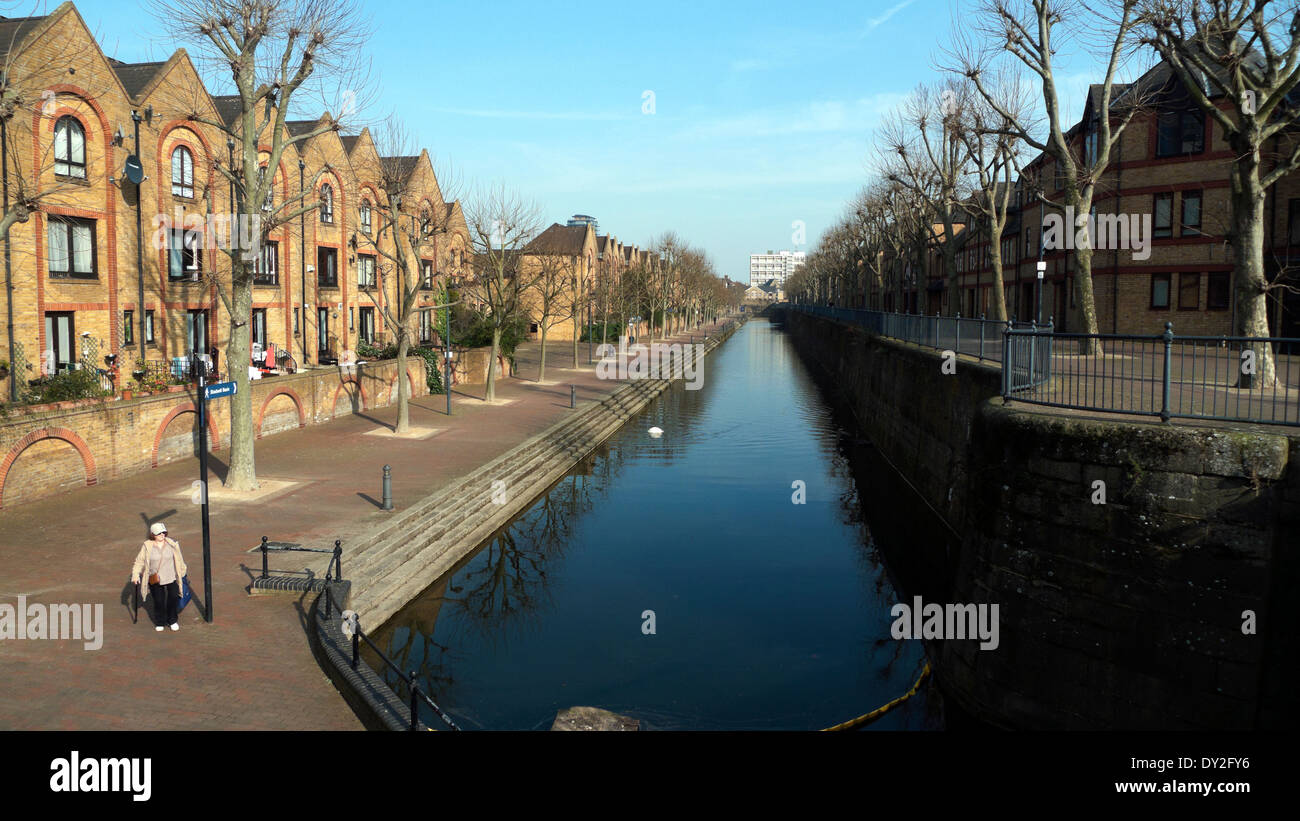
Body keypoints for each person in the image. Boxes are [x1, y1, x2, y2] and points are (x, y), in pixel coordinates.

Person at [131, 522, 188, 632]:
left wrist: (183, 572)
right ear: (153, 534)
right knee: (158, 601)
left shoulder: (172, 544)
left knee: (173, 598)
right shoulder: (147, 546)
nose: (162, 535)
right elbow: (139, 561)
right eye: (159, 533)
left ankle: (172, 620)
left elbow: (179, 559)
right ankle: (160, 621)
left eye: (164, 532)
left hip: (171, 576)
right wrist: (135, 575)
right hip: (155, 578)